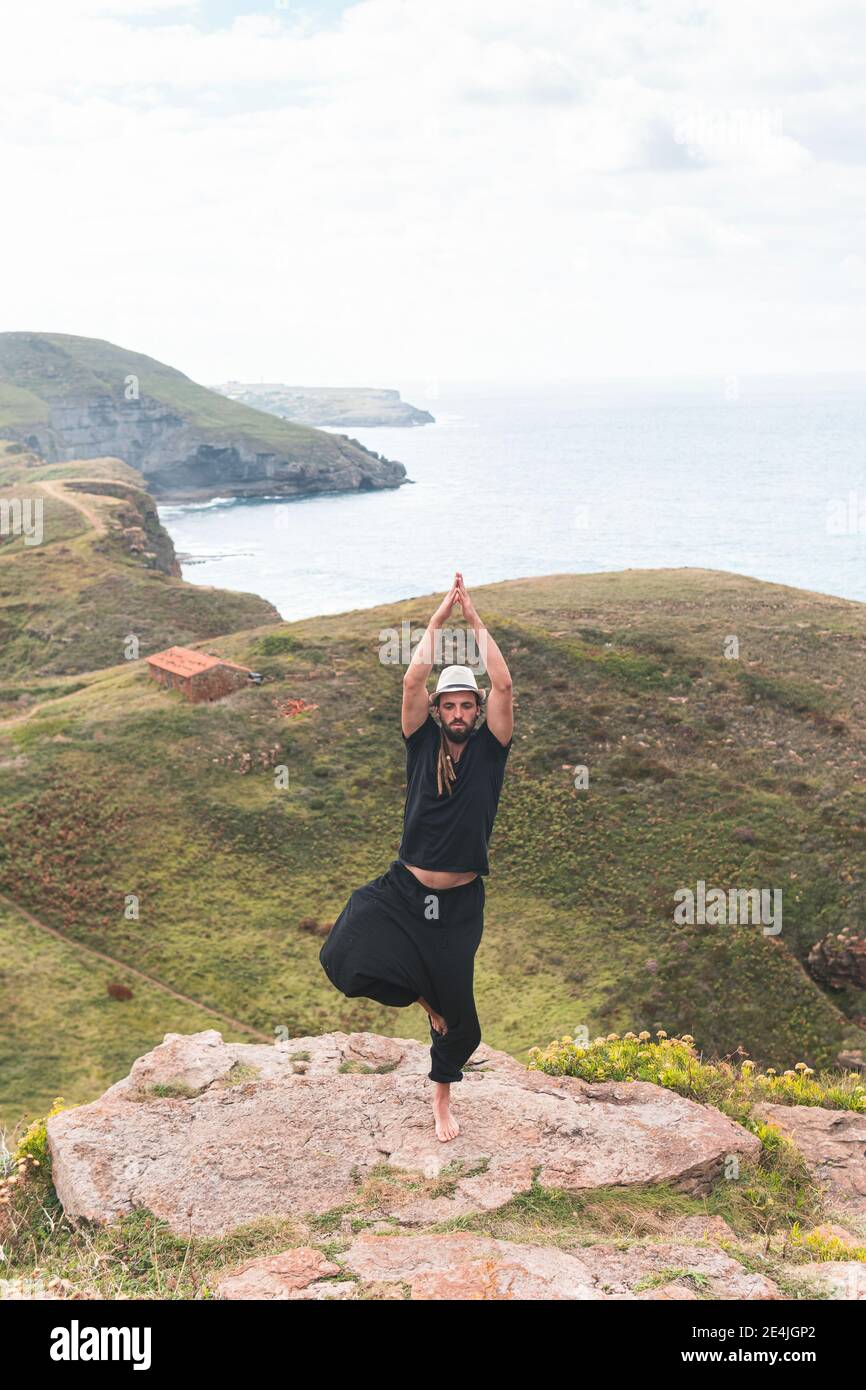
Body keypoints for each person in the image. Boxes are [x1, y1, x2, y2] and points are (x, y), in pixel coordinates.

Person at [319, 571, 514, 1141]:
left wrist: (474, 621)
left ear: (476, 710)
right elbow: (411, 680)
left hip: (458, 903)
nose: (457, 713)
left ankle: (442, 1101)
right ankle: (424, 999)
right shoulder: (421, 740)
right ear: (437, 709)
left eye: (465, 705)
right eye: (448, 705)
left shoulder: (490, 750)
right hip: (405, 889)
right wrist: (435, 622)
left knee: (462, 1024)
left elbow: (504, 685)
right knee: (346, 953)